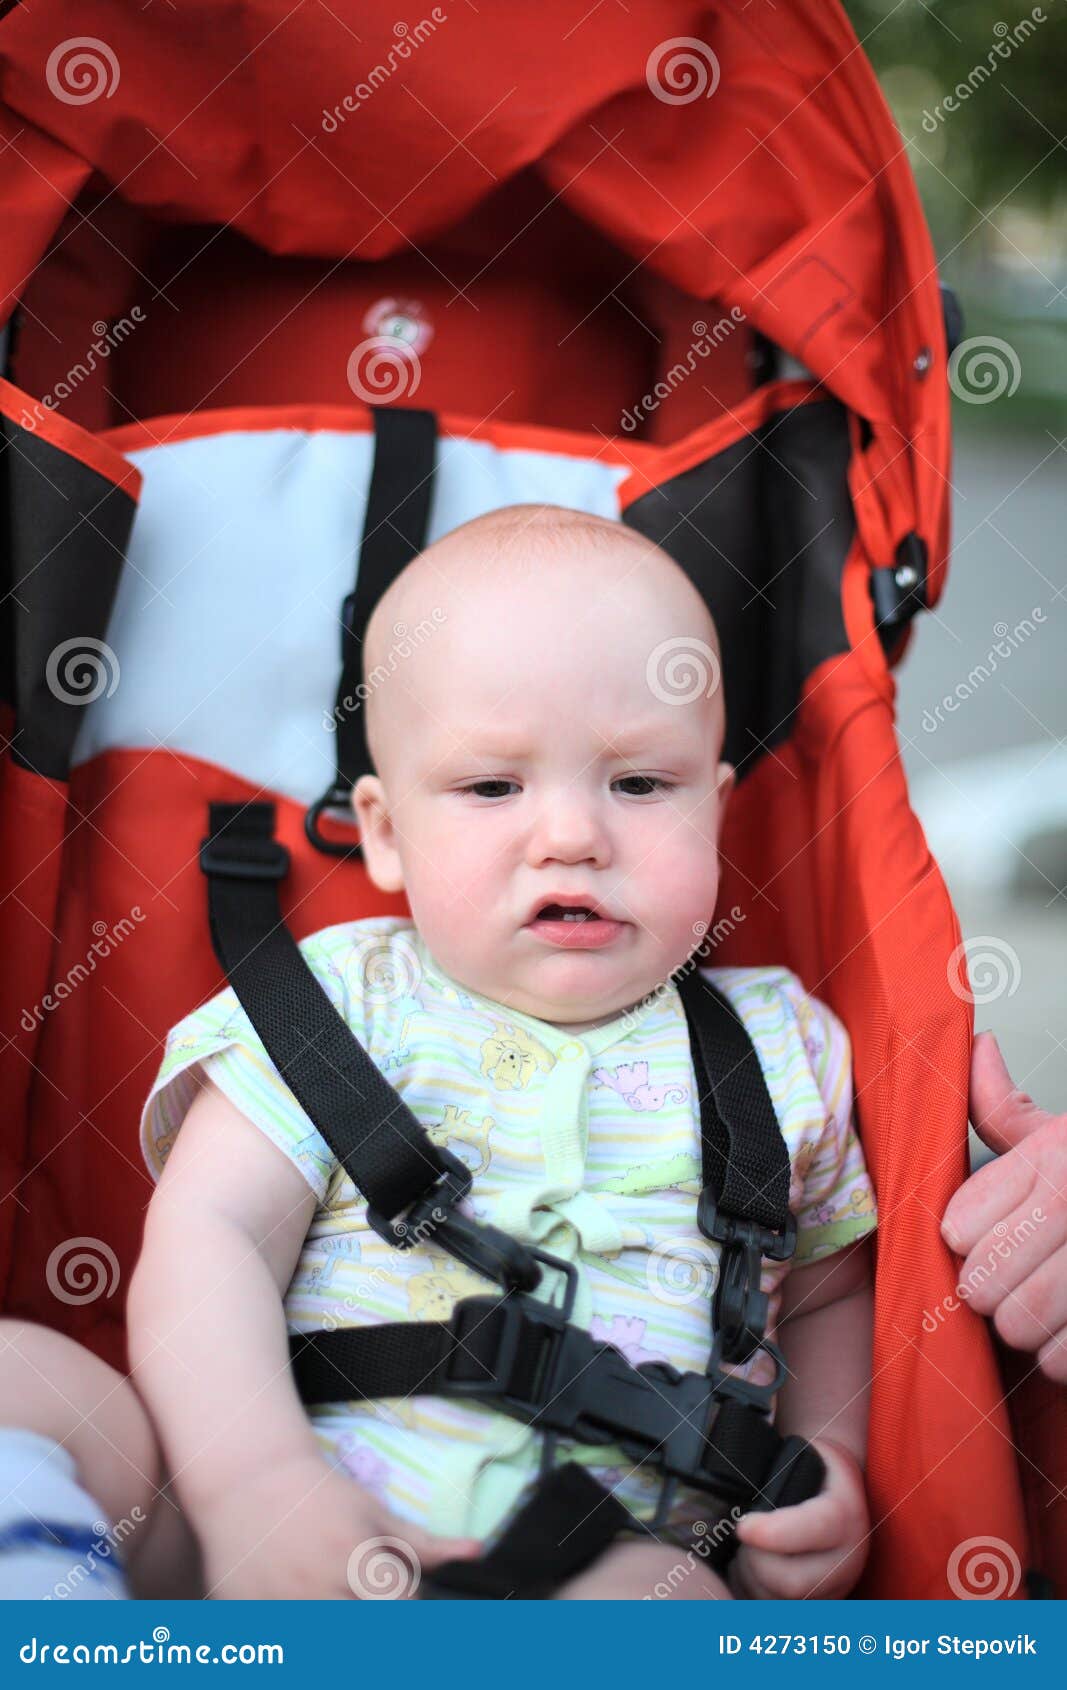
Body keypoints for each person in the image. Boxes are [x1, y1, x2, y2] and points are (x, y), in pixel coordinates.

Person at [124, 502, 876, 1601]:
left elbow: (824, 1296)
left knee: (670, 1605)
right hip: (272, 1537)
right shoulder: (341, 1003)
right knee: (26, 1377)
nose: (570, 834)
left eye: (638, 783)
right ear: (383, 831)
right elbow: (211, 1236)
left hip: (605, 1557)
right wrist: (253, 1484)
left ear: (715, 812)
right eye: (490, 787)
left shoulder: (778, 1046)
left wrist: (827, 1466)